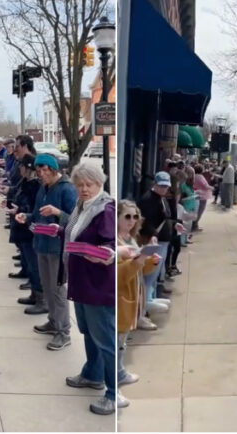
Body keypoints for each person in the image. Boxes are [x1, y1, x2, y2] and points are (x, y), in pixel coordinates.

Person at [62, 162, 116, 415]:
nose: (83, 189)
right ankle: (92, 373)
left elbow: (111, 242)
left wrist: (107, 253)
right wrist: (58, 231)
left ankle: (113, 394)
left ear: (100, 185)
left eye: (89, 184)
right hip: (82, 281)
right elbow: (76, 235)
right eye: (80, 184)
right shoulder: (81, 207)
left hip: (98, 285)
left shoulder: (105, 210)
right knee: (88, 332)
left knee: (105, 340)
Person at [15, 154, 77, 350]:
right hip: (41, 244)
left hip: (58, 247)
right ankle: (53, 321)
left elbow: (75, 220)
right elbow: (37, 214)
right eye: (39, 171)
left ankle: (63, 331)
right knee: (48, 287)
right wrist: (26, 216)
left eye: (45, 170)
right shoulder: (43, 188)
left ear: (54, 169)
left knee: (58, 290)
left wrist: (57, 213)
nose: (42, 174)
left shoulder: (67, 189)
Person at [116, 200, 160, 408]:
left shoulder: (130, 239)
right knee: (114, 343)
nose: (132, 221)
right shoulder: (114, 242)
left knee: (122, 341)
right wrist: (135, 262)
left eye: (135, 217)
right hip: (121, 297)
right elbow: (117, 275)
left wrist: (151, 260)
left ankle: (120, 372)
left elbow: (142, 270)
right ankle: (112, 386)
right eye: (127, 216)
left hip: (134, 295)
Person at [136, 172, 182, 313]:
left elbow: (165, 217)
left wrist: (174, 224)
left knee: (154, 275)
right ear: (155, 184)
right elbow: (144, 221)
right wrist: (151, 234)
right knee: (149, 275)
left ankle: (150, 300)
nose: (163, 188)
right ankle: (144, 308)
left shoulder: (161, 198)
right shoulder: (148, 200)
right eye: (161, 185)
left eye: (165, 186)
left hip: (162, 240)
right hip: (155, 241)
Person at [10, 155, 46, 315]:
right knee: (30, 264)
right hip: (23, 226)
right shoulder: (26, 183)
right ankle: (35, 294)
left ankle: (41, 299)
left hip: (29, 229)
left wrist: (20, 210)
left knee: (35, 265)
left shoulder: (36, 186)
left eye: (22, 166)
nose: (20, 169)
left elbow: (33, 208)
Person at [191, 165, 212, 232]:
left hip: (196, 195)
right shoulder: (200, 177)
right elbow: (205, 186)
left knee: (196, 210)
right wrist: (212, 188)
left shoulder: (194, 176)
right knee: (200, 211)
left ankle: (195, 225)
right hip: (202, 196)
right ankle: (195, 225)